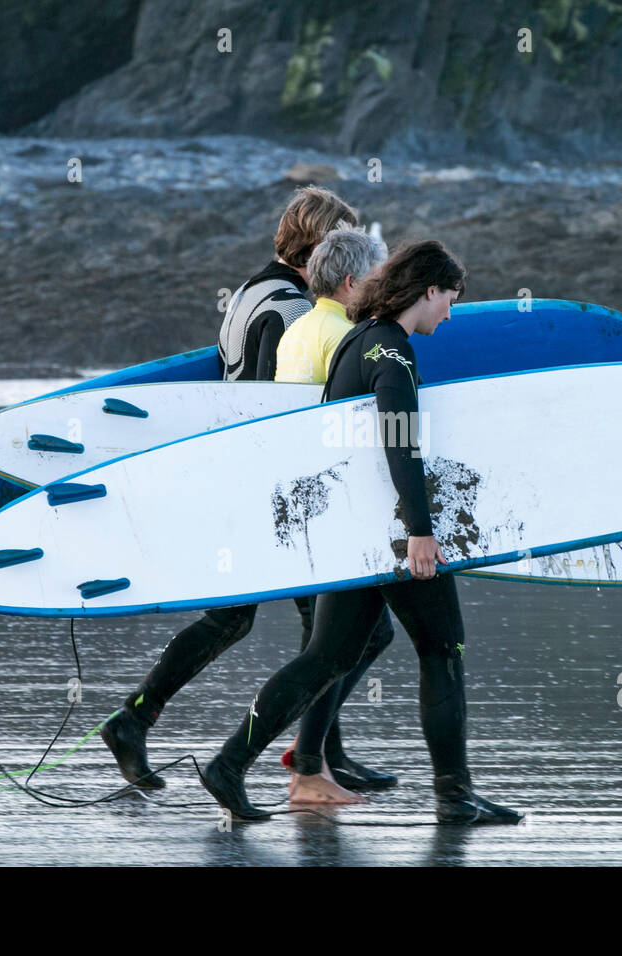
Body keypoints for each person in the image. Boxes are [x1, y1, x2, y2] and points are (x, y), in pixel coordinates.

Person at [200, 240, 523, 825]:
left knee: (327, 657)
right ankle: (454, 796)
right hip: (392, 533)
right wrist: (420, 531)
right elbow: (400, 443)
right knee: (443, 649)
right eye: (449, 299)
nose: (450, 314)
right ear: (428, 290)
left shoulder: (359, 338)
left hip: (352, 531)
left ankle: (229, 763)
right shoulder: (392, 354)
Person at [100, 187, 395, 794]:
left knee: (249, 621)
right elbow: (269, 407)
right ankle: (309, 757)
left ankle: (142, 721)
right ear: (319, 247)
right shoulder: (289, 309)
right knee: (342, 631)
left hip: (241, 480)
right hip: (270, 488)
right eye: (341, 244)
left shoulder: (247, 294)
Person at [273, 226, 398, 805]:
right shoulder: (348, 336)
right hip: (335, 509)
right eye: (377, 279)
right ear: (352, 283)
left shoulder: (298, 330)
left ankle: (315, 754)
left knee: (343, 641)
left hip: (299, 503)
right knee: (351, 640)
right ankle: (305, 760)